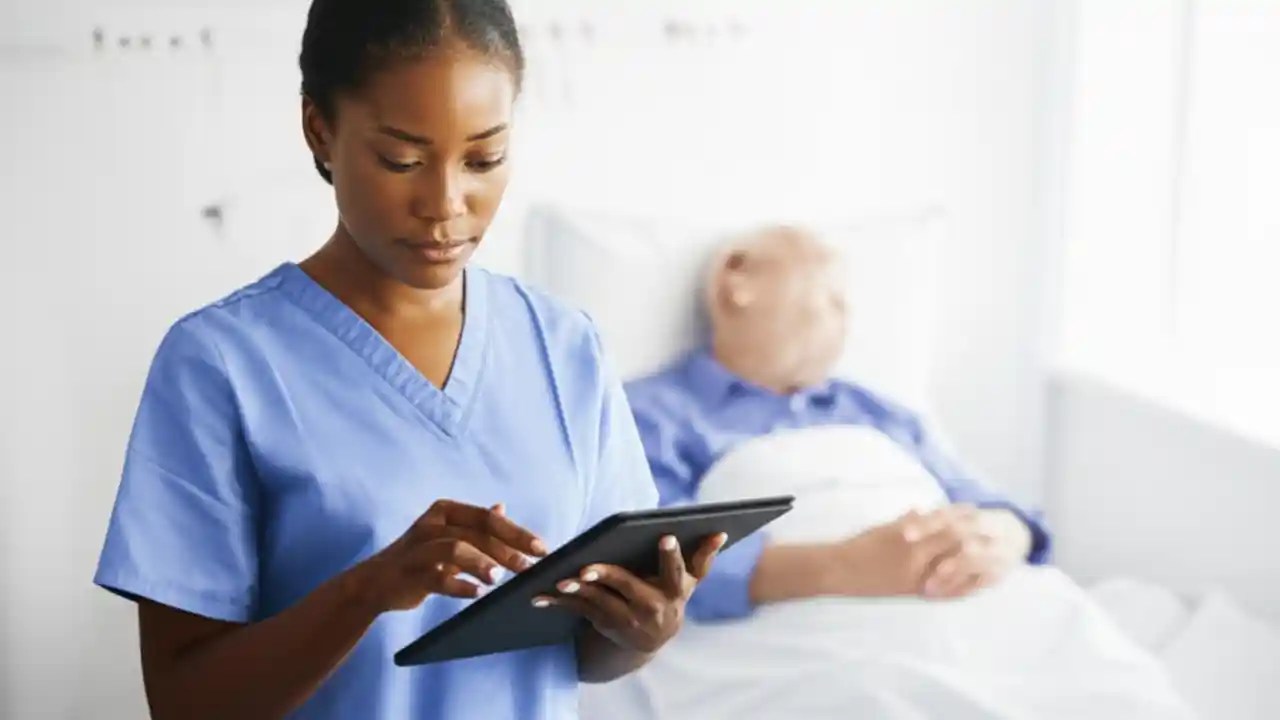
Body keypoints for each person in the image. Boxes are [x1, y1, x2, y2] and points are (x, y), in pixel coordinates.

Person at [92, 2, 726, 718]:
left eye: (484, 158)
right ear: (319, 130)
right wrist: (367, 590)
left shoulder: (563, 346)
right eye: (402, 160)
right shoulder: (222, 364)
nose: (446, 203)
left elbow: (580, 650)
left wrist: (645, 632)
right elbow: (185, 703)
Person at [625, 225, 1051, 623]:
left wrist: (1003, 538)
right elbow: (646, 556)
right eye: (831, 295)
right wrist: (842, 566)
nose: (847, 315)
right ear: (737, 281)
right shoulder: (651, 414)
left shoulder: (879, 411)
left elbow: (994, 506)